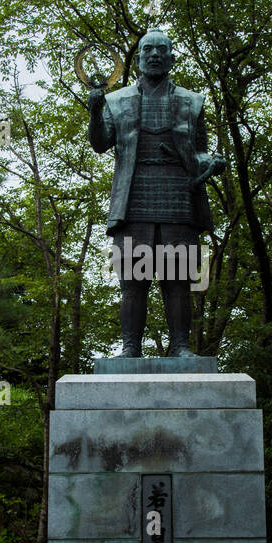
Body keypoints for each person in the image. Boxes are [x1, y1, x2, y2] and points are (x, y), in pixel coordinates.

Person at [87, 29, 225, 357]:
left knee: (178, 279)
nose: (154, 55)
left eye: (161, 50)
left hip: (179, 196)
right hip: (133, 197)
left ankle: (181, 346)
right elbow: (100, 144)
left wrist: (213, 161)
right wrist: (94, 111)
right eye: (147, 50)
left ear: (172, 57)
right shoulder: (116, 101)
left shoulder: (192, 102)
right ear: (138, 59)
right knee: (133, 281)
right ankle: (130, 348)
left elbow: (199, 153)